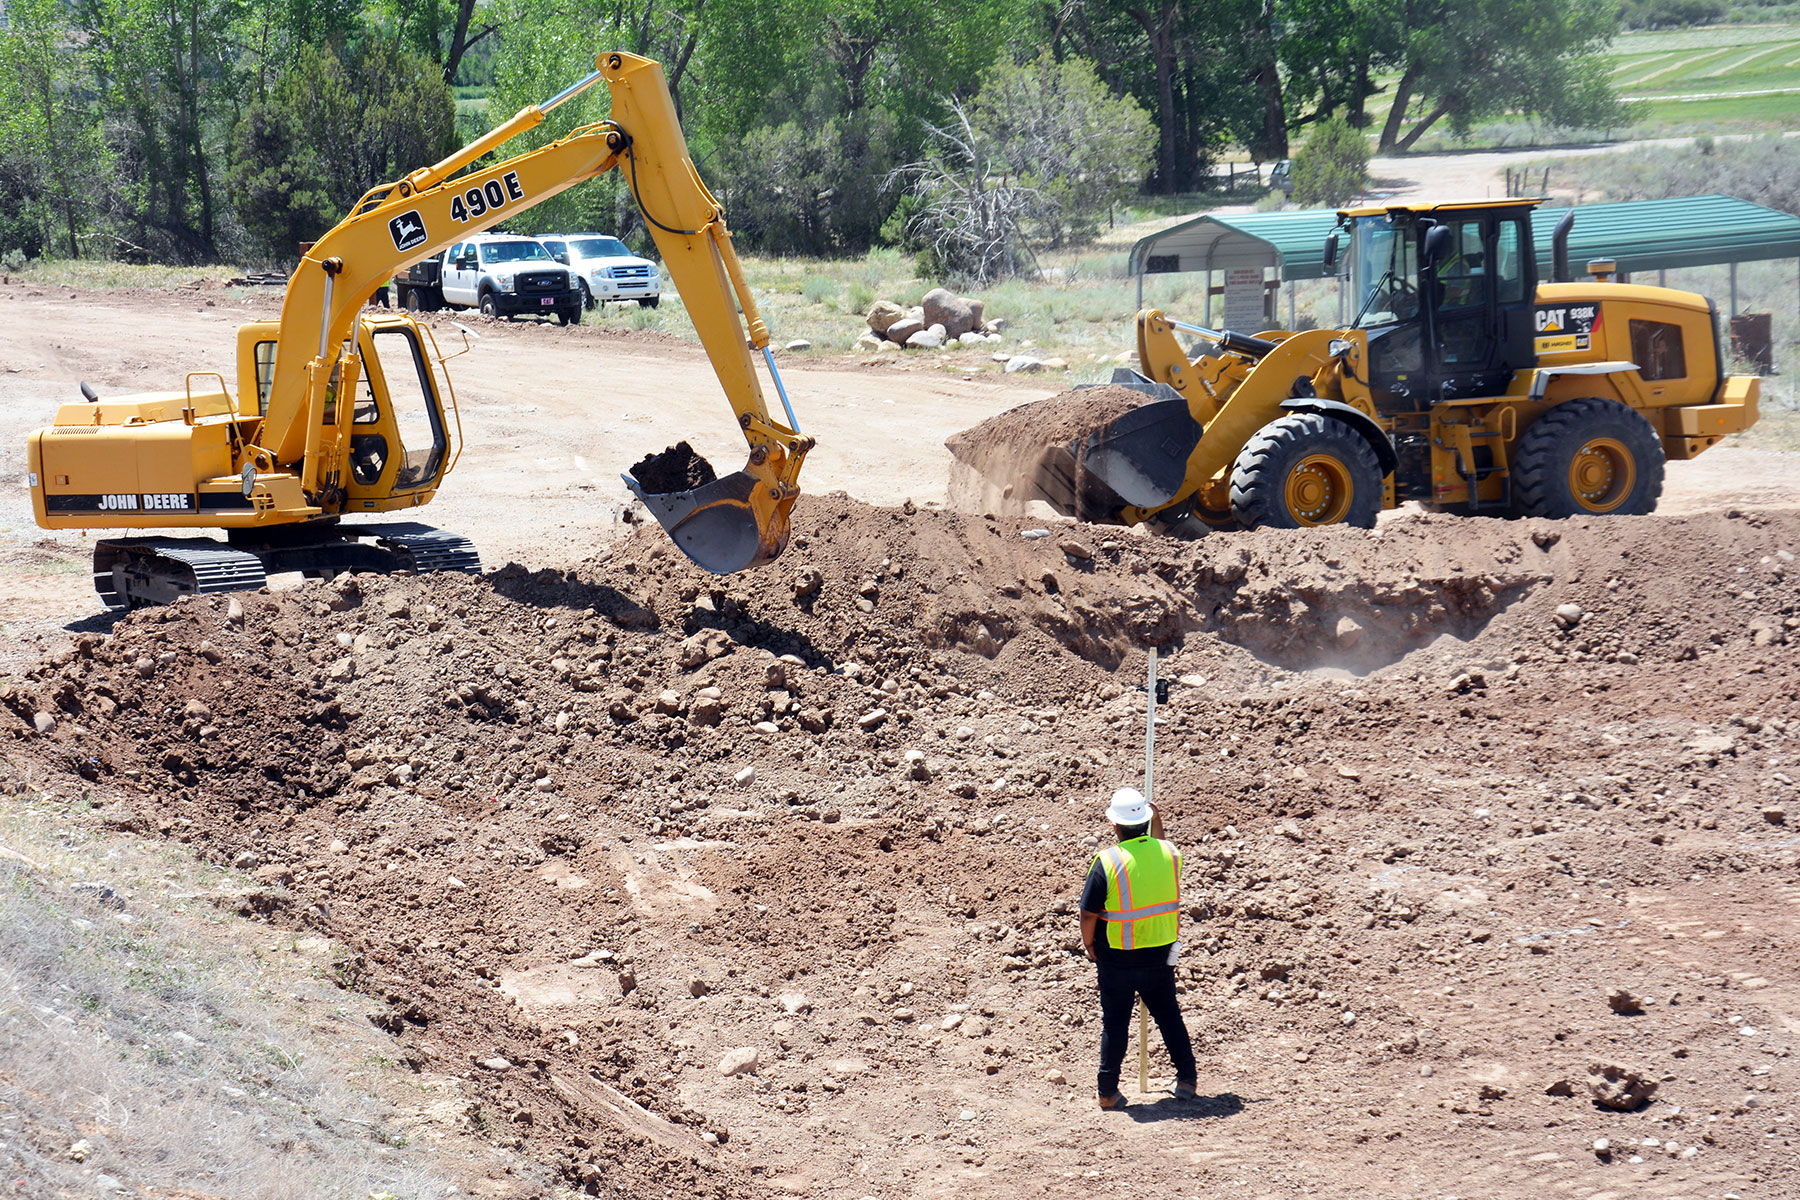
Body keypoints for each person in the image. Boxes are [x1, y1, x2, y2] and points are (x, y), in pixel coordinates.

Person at [1078, 786, 1198, 1110]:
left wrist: (1089, 943)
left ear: (1114, 826)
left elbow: (1088, 912)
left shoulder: (1108, 861)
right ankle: (1186, 1079)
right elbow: (1158, 844)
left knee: (1115, 1023)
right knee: (1169, 1016)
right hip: (1161, 954)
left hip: (1116, 956)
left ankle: (1107, 1092)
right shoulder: (1170, 854)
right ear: (1146, 821)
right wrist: (1155, 816)